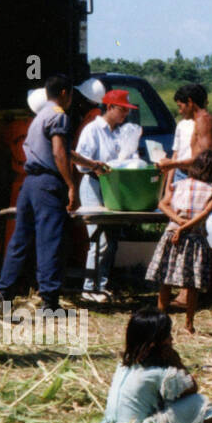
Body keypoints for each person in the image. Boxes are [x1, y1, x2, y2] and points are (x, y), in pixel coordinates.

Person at [101, 307, 212, 423]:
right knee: (199, 403)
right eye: (167, 335)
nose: (171, 339)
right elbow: (192, 388)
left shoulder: (123, 365)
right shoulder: (158, 373)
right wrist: (176, 361)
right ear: (154, 343)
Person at [0, 75, 82, 312]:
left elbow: (60, 150)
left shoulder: (39, 117)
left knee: (20, 241)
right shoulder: (59, 116)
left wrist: (89, 162)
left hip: (30, 184)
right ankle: (50, 302)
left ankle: (4, 295)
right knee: (50, 241)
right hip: (48, 183)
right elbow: (58, 152)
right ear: (65, 93)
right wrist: (71, 185)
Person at [147, 150, 212, 334]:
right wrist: (185, 226)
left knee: (165, 279)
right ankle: (189, 323)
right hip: (194, 238)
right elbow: (204, 214)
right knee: (192, 284)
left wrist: (179, 223)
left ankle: (161, 316)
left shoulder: (178, 185)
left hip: (172, 236)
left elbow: (162, 205)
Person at [74, 88, 140, 300]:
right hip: (93, 185)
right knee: (97, 237)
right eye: (123, 109)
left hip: (112, 187)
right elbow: (80, 161)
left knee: (110, 239)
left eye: (128, 110)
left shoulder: (120, 131)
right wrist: (95, 166)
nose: (125, 114)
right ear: (110, 107)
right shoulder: (92, 130)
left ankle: (101, 284)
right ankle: (89, 287)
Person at [157, 84, 212, 175]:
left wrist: (172, 163)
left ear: (190, 102)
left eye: (180, 106)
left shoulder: (203, 122)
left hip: (201, 180)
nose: (180, 111)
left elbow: (205, 160)